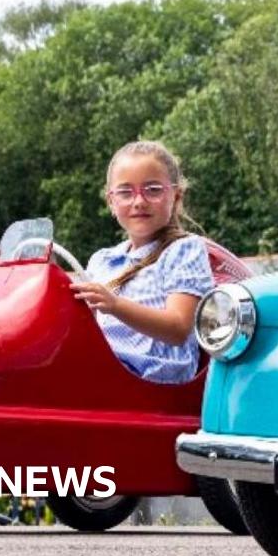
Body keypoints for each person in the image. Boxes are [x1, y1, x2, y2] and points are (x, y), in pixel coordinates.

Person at [71, 140, 214, 382]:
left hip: (152, 382)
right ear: (111, 201)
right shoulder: (103, 260)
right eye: (126, 192)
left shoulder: (183, 250)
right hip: (104, 371)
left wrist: (115, 305)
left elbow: (178, 328)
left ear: (176, 196)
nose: (139, 201)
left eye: (153, 190)